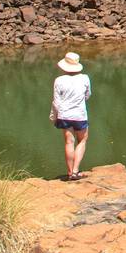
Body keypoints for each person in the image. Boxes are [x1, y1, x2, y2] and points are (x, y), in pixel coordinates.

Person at [51, 52, 91, 180]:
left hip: (64, 114)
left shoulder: (59, 80)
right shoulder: (85, 78)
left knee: (69, 142)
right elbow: (88, 95)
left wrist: (54, 116)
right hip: (80, 115)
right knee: (82, 140)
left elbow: (56, 101)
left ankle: (69, 173)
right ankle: (75, 171)